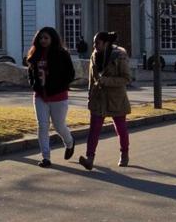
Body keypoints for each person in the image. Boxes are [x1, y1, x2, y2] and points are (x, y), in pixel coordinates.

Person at [79, 31, 131, 170]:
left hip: (116, 99)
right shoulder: (94, 56)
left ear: (106, 43)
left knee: (120, 128)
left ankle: (124, 153)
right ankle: (90, 158)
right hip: (98, 98)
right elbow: (91, 78)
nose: (94, 45)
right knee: (94, 129)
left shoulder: (120, 55)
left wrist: (107, 80)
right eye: (94, 42)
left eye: (97, 43)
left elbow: (126, 78)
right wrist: (90, 95)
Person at [26, 26, 76, 168]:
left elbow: (70, 74)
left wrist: (59, 85)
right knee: (42, 126)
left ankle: (70, 142)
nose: (43, 40)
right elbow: (31, 72)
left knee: (59, 126)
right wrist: (34, 84)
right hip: (40, 96)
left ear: (52, 39)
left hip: (58, 96)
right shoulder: (35, 54)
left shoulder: (62, 54)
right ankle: (46, 157)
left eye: (46, 38)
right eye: (41, 38)